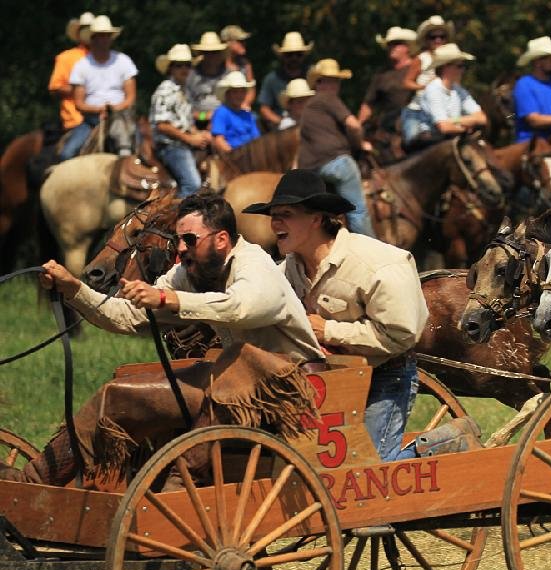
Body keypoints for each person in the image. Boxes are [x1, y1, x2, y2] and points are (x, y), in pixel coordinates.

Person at [0, 191, 324, 486]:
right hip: (232, 378)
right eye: (179, 239)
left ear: (222, 239)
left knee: (223, 394)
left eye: (189, 239)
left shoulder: (255, 265)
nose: (181, 248)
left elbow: (244, 308)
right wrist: (74, 290)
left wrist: (167, 300)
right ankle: (32, 481)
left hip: (286, 383)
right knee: (114, 395)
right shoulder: (189, 272)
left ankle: (173, 494)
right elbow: (126, 316)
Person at [245, 169, 429, 461]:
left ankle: (438, 448)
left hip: (385, 374)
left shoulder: (377, 265)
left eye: (286, 214)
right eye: (273, 215)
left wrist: (327, 331)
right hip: (327, 378)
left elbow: (401, 336)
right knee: (324, 469)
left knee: (367, 474)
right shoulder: (286, 270)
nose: (275, 222)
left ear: (317, 219)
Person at [298, 59, 375, 238]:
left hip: (312, 170)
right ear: (319, 83)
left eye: (336, 80)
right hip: (338, 163)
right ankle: (371, 250)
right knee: (357, 211)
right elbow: (354, 125)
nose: (334, 85)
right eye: (329, 80)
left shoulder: (308, 107)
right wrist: (360, 144)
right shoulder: (328, 98)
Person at [58, 15, 137, 161]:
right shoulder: (81, 66)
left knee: (145, 148)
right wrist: (99, 110)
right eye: (99, 36)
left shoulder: (124, 61)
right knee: (67, 154)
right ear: (92, 39)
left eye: (106, 36)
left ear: (111, 38)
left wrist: (115, 109)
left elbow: (131, 97)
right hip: (92, 120)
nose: (103, 40)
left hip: (122, 117)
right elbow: (79, 103)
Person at [150, 44, 211, 197]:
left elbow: (186, 122)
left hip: (183, 144)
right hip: (171, 146)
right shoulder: (165, 90)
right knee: (193, 184)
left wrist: (200, 134)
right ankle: (178, 218)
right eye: (179, 65)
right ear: (171, 68)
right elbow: (162, 125)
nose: (184, 69)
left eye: (188, 65)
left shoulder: (184, 90)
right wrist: (190, 139)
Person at [403, 43, 485, 150]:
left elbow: (482, 118)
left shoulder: (459, 90)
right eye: (459, 66)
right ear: (446, 67)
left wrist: (453, 121)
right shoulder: (432, 90)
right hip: (432, 142)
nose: (463, 71)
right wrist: (467, 126)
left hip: (450, 139)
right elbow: (444, 128)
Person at [400, 16, 455, 142]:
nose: (438, 40)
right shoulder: (421, 58)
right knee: (414, 143)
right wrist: (426, 87)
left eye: (442, 37)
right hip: (417, 111)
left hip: (443, 110)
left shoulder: (451, 60)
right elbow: (407, 83)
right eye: (433, 37)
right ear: (427, 39)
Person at [358, 26, 417, 140]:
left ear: (407, 47)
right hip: (388, 127)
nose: (392, 48)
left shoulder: (418, 69)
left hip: (413, 120)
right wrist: (358, 128)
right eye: (390, 44)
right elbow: (368, 106)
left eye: (396, 44)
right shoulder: (382, 75)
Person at [48, 11, 94, 135]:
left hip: (106, 119)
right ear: (79, 34)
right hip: (76, 120)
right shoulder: (66, 57)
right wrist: (81, 90)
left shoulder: (107, 58)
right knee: (66, 154)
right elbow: (55, 89)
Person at [258, 32, 313, 130]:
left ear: (303, 56)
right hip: (281, 129)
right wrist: (283, 124)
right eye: (289, 55)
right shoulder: (271, 79)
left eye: (298, 54)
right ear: (283, 56)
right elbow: (264, 109)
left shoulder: (312, 76)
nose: (294, 58)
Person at [185, 32, 229, 127]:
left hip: (226, 121)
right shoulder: (191, 77)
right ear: (202, 54)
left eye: (215, 52)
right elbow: (187, 110)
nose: (211, 57)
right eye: (207, 53)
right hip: (199, 123)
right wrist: (205, 116)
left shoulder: (228, 75)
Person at [210, 70, 259, 153]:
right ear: (227, 94)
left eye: (242, 91)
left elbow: (256, 139)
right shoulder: (222, 112)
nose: (239, 95)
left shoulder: (248, 115)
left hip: (251, 157)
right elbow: (219, 140)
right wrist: (233, 155)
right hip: (231, 157)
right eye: (235, 92)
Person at [220, 24, 255, 108]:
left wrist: (244, 104)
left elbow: (251, 90)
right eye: (240, 41)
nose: (244, 44)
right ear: (228, 43)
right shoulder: (218, 64)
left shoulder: (246, 64)